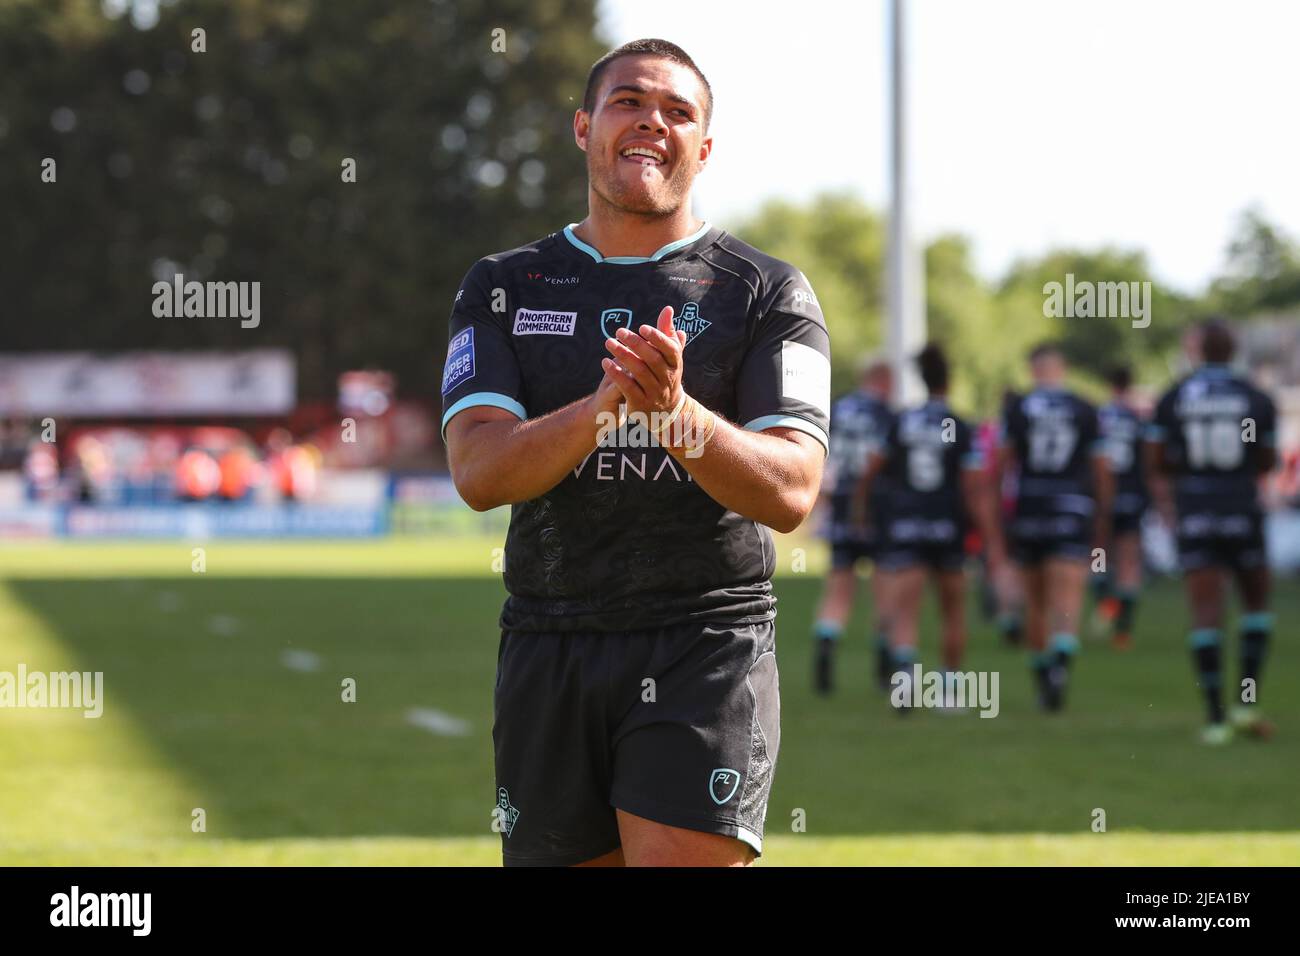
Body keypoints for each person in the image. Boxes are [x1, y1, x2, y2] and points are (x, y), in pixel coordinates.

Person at [441, 39, 830, 866]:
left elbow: (791, 491)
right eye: (628, 102)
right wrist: (603, 411)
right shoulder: (502, 286)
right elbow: (478, 473)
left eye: (677, 112)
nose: (652, 121)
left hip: (705, 639)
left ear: (705, 148)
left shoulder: (766, 291)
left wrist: (675, 416)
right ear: (584, 127)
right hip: (548, 639)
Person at [1146, 319, 1277, 745]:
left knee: (1205, 612)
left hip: (1196, 506)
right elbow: (1265, 458)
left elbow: (1157, 459)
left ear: (1199, 351)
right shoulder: (1254, 397)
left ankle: (1215, 717)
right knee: (1255, 604)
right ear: (1233, 350)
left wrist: (1179, 482)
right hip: (1241, 505)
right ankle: (1246, 702)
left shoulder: (1174, 396)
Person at [862, 344, 1005, 709]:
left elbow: (872, 468)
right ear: (949, 380)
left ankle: (906, 677)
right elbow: (974, 486)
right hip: (948, 526)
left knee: (905, 609)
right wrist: (989, 537)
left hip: (906, 523)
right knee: (953, 610)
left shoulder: (901, 421)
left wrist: (864, 510)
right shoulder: (960, 425)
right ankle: (947, 692)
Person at [1000, 344, 1112, 711]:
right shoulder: (1084, 408)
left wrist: (999, 516)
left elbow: (1001, 465)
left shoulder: (1018, 408)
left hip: (1030, 507)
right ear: (1062, 369)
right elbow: (1101, 468)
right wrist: (1103, 513)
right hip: (1072, 507)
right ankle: (1060, 668)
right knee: (1067, 600)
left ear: (1034, 370)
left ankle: (1042, 679)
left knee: (1035, 602)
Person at [812, 355, 894, 694]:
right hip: (874, 508)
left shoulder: (838, 408)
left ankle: (826, 643)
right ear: (885, 381)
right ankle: (884, 665)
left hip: (840, 504)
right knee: (884, 588)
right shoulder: (885, 414)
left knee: (839, 588)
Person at [1089, 365, 1149, 650]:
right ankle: (1122, 631)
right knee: (1128, 561)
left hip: (1102, 497)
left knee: (1099, 554)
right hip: (1131, 495)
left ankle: (1106, 604)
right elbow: (1147, 461)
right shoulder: (1138, 420)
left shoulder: (1099, 418)